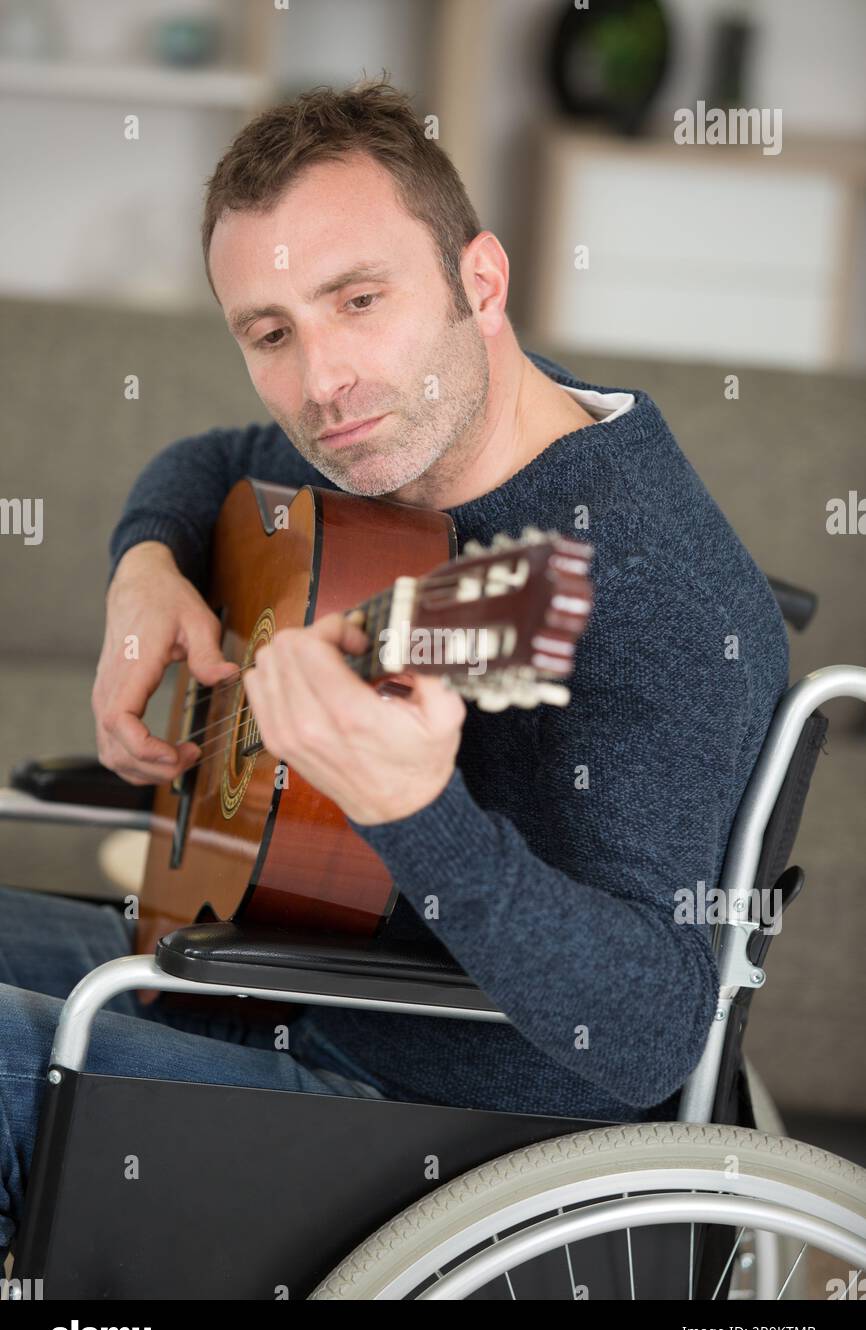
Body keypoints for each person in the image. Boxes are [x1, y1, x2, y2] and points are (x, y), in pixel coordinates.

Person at [0, 79, 789, 1267]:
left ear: (479, 282)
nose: (322, 382)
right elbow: (212, 455)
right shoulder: (404, 442)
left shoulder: (657, 598)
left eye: (357, 301)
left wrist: (416, 813)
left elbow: (649, 1037)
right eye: (269, 333)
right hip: (292, 974)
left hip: (443, 1128)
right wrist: (146, 566)